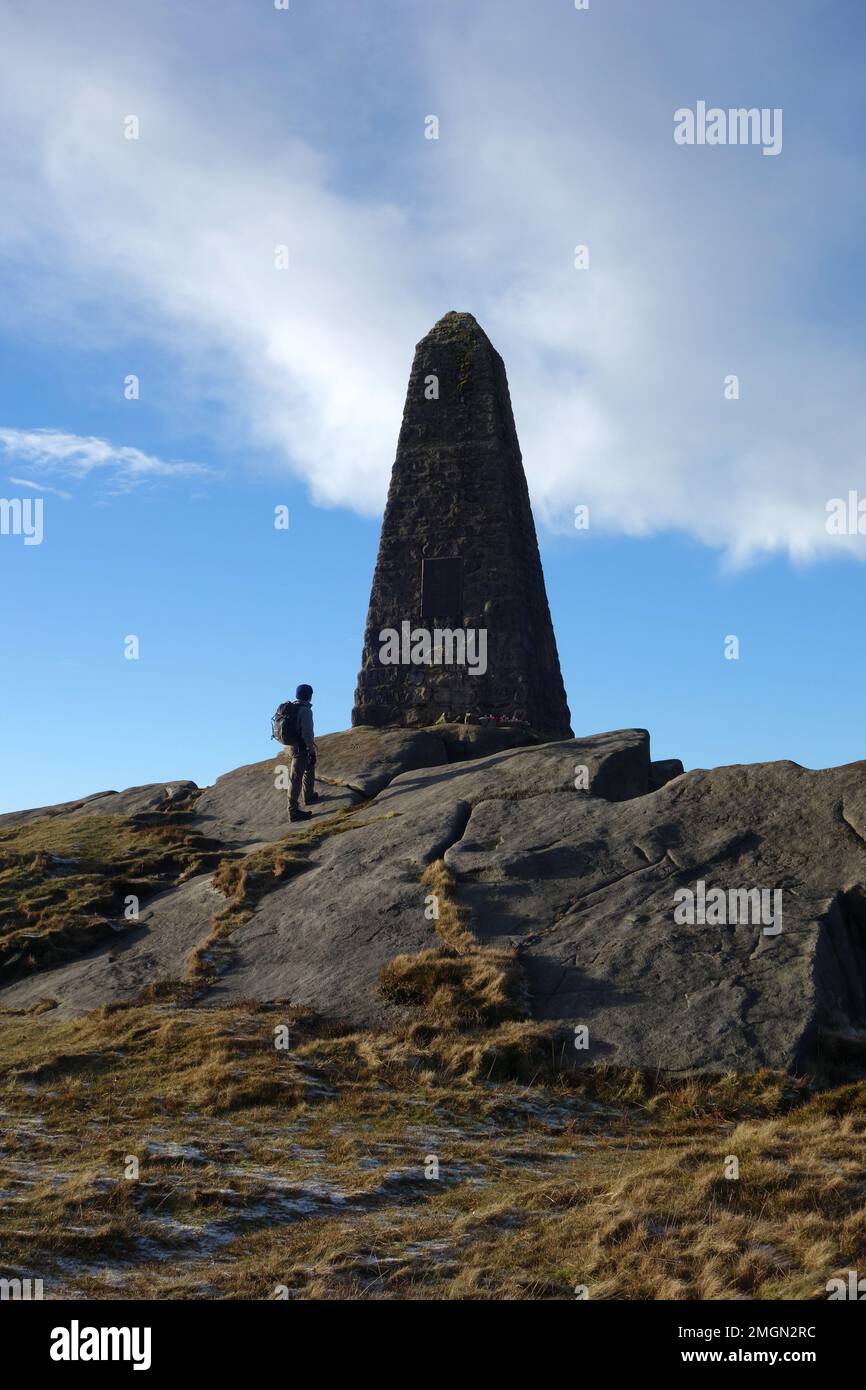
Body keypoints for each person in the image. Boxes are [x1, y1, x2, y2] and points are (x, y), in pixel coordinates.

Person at [287, 683, 319, 822]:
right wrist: (311, 750)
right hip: (301, 748)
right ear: (309, 696)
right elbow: (307, 733)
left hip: (293, 746)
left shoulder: (293, 708)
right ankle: (293, 811)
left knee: (309, 768)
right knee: (296, 777)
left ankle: (309, 795)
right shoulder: (305, 711)